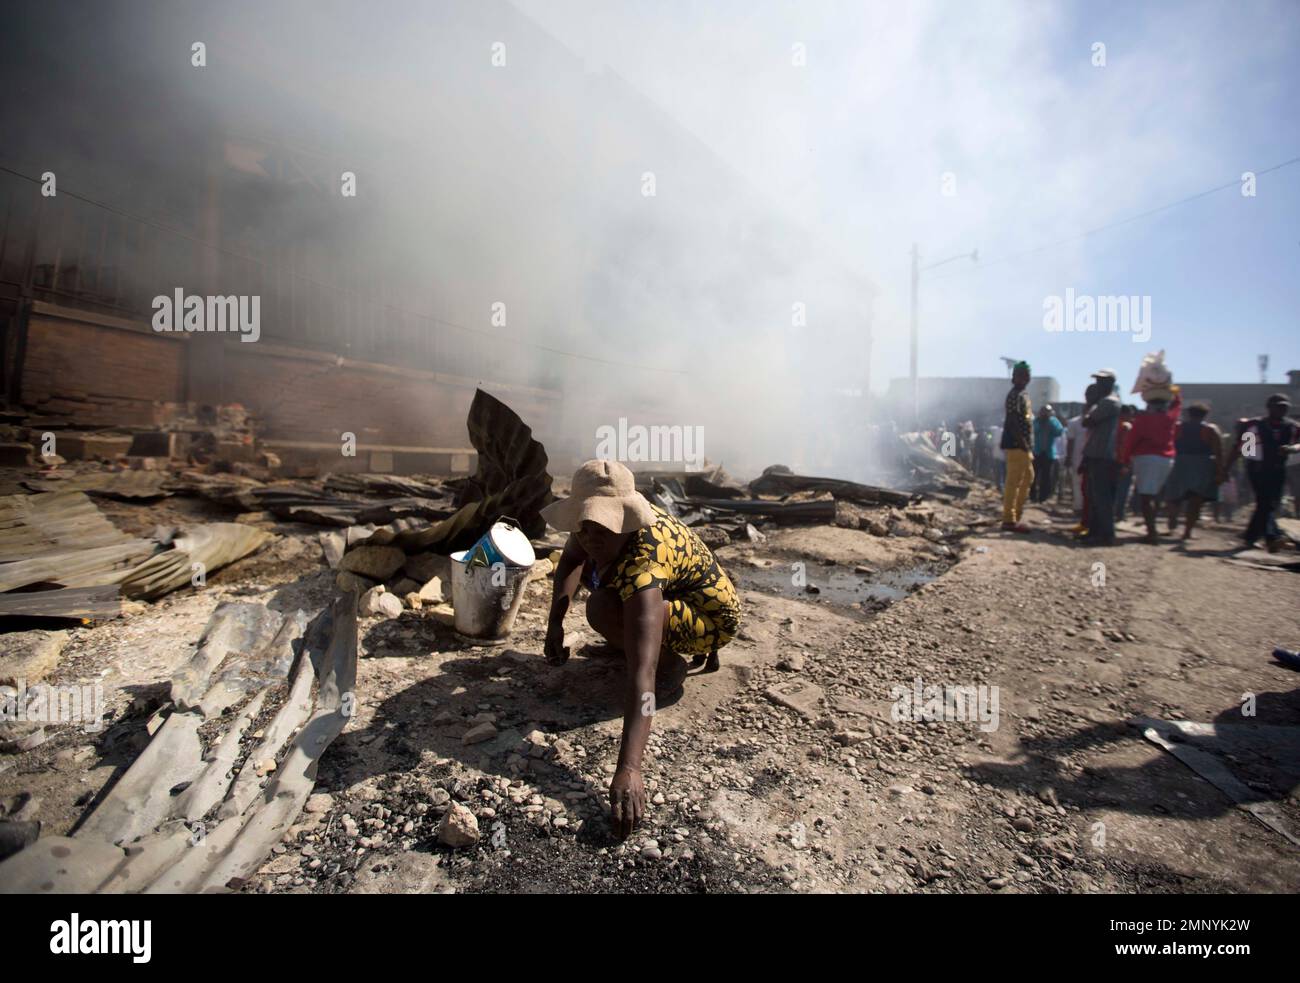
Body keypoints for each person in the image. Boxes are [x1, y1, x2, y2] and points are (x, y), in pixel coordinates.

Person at [542, 460, 742, 838]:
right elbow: (570, 559)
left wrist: (629, 768)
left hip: (711, 620)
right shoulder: (592, 529)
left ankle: (675, 665)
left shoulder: (644, 561)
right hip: (674, 597)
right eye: (582, 526)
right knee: (600, 589)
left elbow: (641, 672)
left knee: (602, 608)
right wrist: (554, 624)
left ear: (625, 519)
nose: (589, 536)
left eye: (600, 527)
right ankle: (634, 635)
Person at [1225, 394, 1300, 551]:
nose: (1282, 410)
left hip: (1279, 469)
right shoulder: (1254, 425)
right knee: (1266, 502)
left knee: (1268, 504)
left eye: (1284, 407)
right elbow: (1243, 450)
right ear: (1269, 408)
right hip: (1258, 469)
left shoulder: (1292, 427)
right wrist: (1226, 468)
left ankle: (1251, 537)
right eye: (1278, 407)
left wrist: (1292, 449)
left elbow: (1298, 445)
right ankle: (1272, 537)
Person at [1119, 388, 1181, 543]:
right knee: (1156, 495)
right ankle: (1157, 525)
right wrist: (1174, 390)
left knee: (1146, 497)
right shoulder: (1170, 418)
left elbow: (1131, 441)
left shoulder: (1142, 420)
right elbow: (1177, 406)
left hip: (1146, 458)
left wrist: (1125, 460)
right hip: (1167, 459)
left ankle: (1152, 532)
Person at [1163, 402, 1224, 542]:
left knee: (1174, 495)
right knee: (1195, 499)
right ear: (1205, 415)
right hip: (1202, 465)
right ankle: (1187, 531)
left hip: (1179, 463)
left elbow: (1168, 444)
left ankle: (1173, 517)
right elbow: (1218, 451)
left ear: (1188, 414)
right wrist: (1220, 471)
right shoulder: (1210, 429)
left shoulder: (1177, 427)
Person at [1080, 369, 1122, 545]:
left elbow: (1086, 421)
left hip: (1102, 456)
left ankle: (1105, 534)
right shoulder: (1106, 402)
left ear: (1109, 384)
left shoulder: (1108, 402)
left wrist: (1089, 403)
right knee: (1095, 495)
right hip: (1097, 455)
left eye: (1100, 382)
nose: (1096, 386)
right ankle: (1095, 532)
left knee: (1101, 496)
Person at [1000, 361, 1034, 531]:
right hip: (1016, 445)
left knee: (1028, 477)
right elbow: (1013, 422)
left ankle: (1016, 514)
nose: (1025, 378)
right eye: (1021, 374)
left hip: (1023, 446)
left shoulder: (1024, 395)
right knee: (1013, 481)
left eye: (1027, 374)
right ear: (1014, 377)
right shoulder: (1014, 395)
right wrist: (1023, 444)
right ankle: (1009, 519)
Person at [1066, 384, 1098, 531]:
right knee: (1079, 484)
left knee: (1089, 487)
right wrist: (1068, 457)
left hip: (1095, 457)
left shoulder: (1101, 417)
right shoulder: (1074, 423)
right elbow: (1070, 441)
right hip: (1079, 458)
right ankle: (1080, 509)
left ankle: (1088, 515)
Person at [1032, 404, 1064, 504]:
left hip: (1048, 453)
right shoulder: (1036, 421)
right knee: (1034, 475)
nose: (1045, 413)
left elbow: (1059, 431)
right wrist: (1041, 423)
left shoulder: (1053, 421)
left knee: (1046, 476)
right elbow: (1032, 431)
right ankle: (1032, 495)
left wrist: (1049, 422)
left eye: (1047, 412)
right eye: (1043, 411)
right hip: (1036, 452)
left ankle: (1043, 496)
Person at [1114, 404, 1137, 522]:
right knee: (1123, 489)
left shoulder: (1112, 424)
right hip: (1122, 461)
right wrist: (1125, 463)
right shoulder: (1127, 427)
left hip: (1110, 460)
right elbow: (1124, 446)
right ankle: (1119, 513)